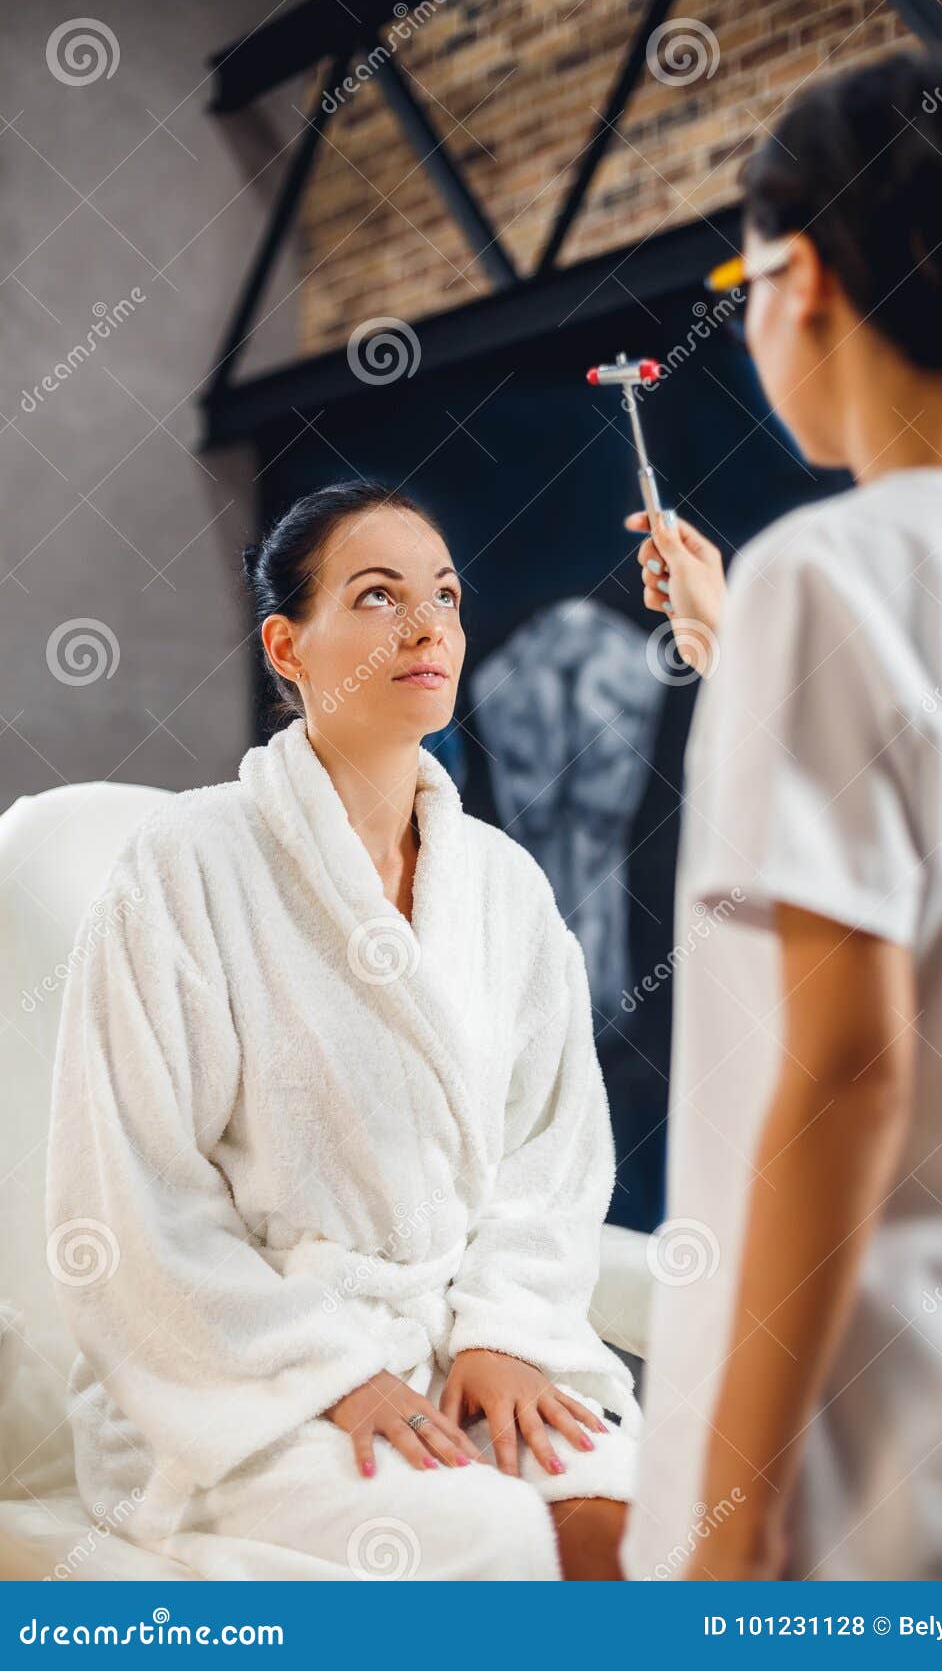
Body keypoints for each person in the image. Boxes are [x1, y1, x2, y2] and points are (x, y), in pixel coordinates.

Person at [621, 48, 942, 1581]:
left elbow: (850, 1065)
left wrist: (729, 1505)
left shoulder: (833, 575)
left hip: (867, 1460)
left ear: (797, 275)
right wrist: (743, 645)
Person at [45, 480, 639, 1582]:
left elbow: (550, 1151)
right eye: (377, 597)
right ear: (289, 645)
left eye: (445, 596)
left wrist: (502, 1329)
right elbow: (129, 1192)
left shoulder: (501, 887)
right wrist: (324, 1373)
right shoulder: (184, 866)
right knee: (496, 1535)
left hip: (463, 1340)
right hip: (243, 1377)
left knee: (621, 1522)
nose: (427, 628)